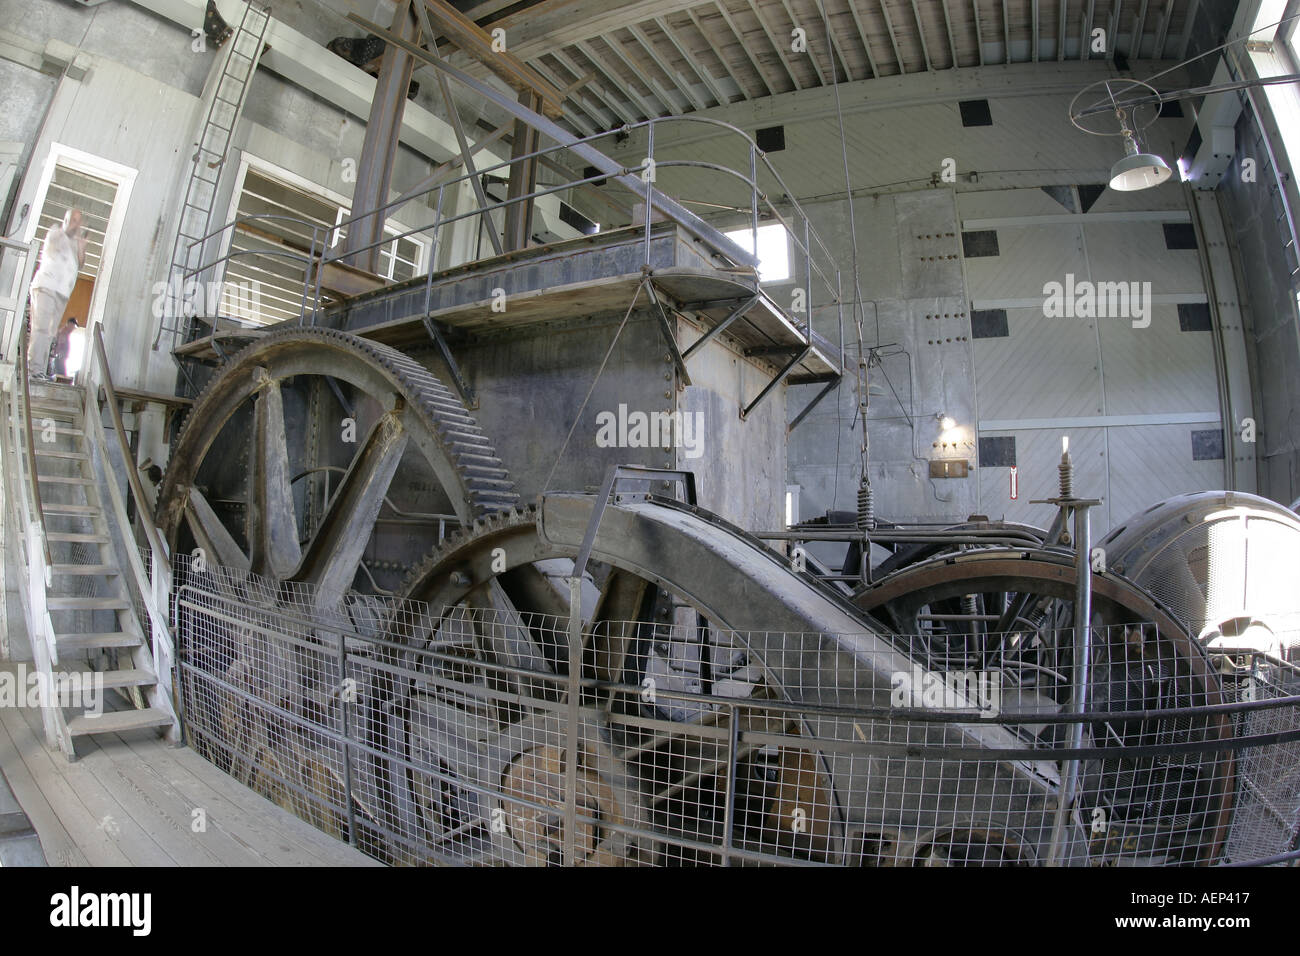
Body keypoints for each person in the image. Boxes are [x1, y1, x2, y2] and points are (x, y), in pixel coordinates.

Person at [27, 209, 88, 380]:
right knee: (41, 328)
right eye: (72, 220)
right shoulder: (56, 234)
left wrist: (82, 248)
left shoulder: (77, 243)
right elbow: (58, 247)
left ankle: (39, 370)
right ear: (65, 220)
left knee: (50, 333)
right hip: (46, 287)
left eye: (78, 221)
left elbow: (81, 264)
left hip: (62, 293)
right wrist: (75, 239)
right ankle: (33, 371)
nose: (75, 224)